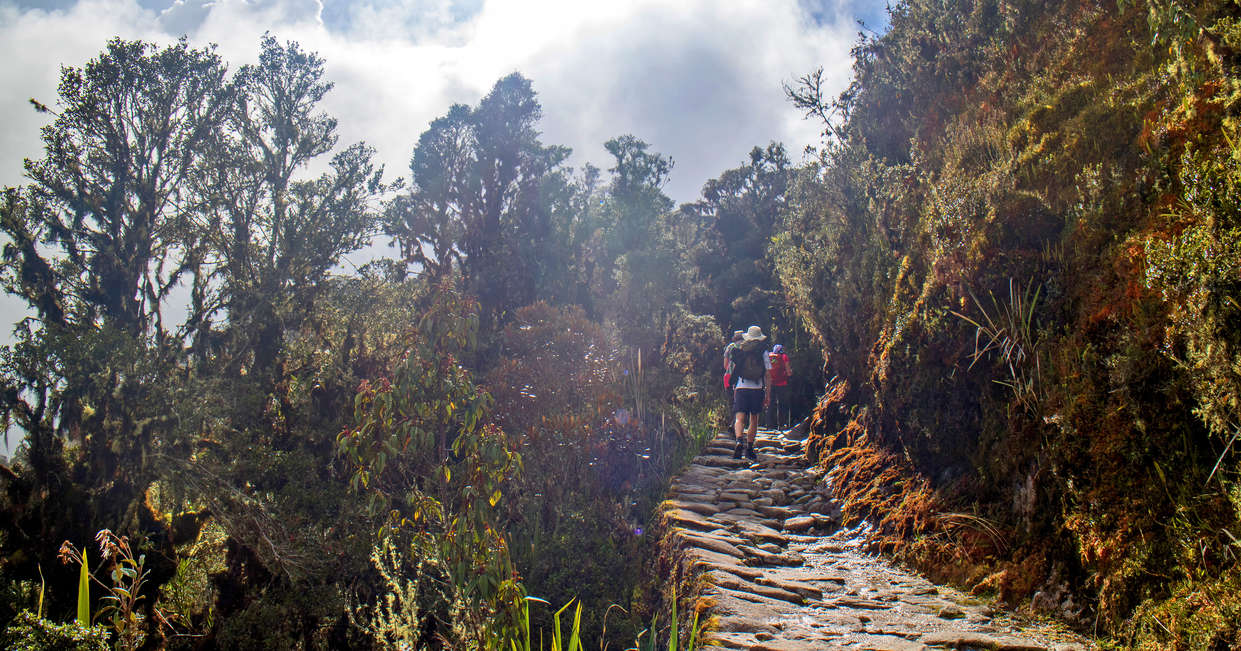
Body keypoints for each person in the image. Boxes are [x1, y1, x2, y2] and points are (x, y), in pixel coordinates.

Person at [728, 326, 771, 461]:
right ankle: (750, 448)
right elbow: (768, 375)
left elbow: (733, 369)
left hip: (741, 387)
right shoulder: (763, 351)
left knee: (739, 418)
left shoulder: (741, 349)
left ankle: (739, 441)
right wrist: (767, 394)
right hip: (757, 389)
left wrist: (734, 386)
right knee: (754, 419)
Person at [767, 344, 792, 429]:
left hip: (770, 383)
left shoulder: (769, 356)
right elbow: (788, 371)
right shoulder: (784, 357)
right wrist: (790, 374)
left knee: (770, 404)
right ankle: (781, 425)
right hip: (782, 383)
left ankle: (770, 425)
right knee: (781, 404)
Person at [722, 330, 744, 417]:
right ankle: (740, 422)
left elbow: (725, 365)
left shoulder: (730, 346)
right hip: (743, 377)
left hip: (729, 376)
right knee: (741, 401)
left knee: (731, 401)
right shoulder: (746, 345)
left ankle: (733, 421)